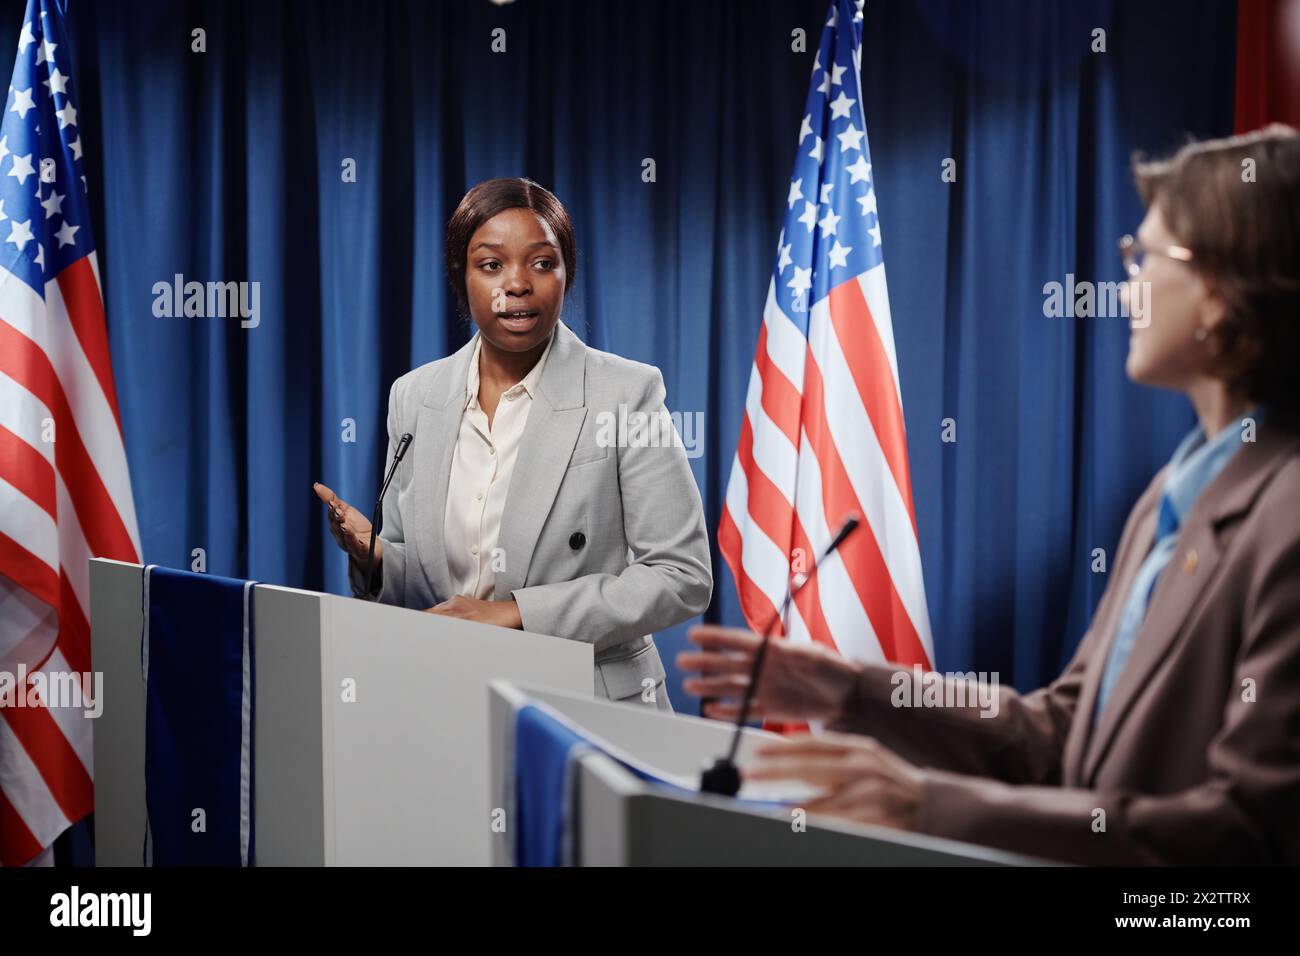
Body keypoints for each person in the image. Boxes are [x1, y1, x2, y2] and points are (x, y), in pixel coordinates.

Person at [679, 125, 1300, 864]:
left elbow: (1251, 834)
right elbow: (1063, 734)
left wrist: (928, 805)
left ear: (1225, 291)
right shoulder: (1174, 492)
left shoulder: (1286, 513)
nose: (1126, 282)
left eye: (1146, 257)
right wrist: (854, 691)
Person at [316, 177, 712, 709]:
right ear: (462, 278)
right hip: (450, 697)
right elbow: (432, 587)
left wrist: (516, 614)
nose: (518, 284)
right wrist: (376, 557)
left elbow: (681, 575)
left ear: (566, 275)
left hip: (589, 703)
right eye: (491, 265)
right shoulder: (415, 396)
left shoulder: (625, 393)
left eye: (542, 263)